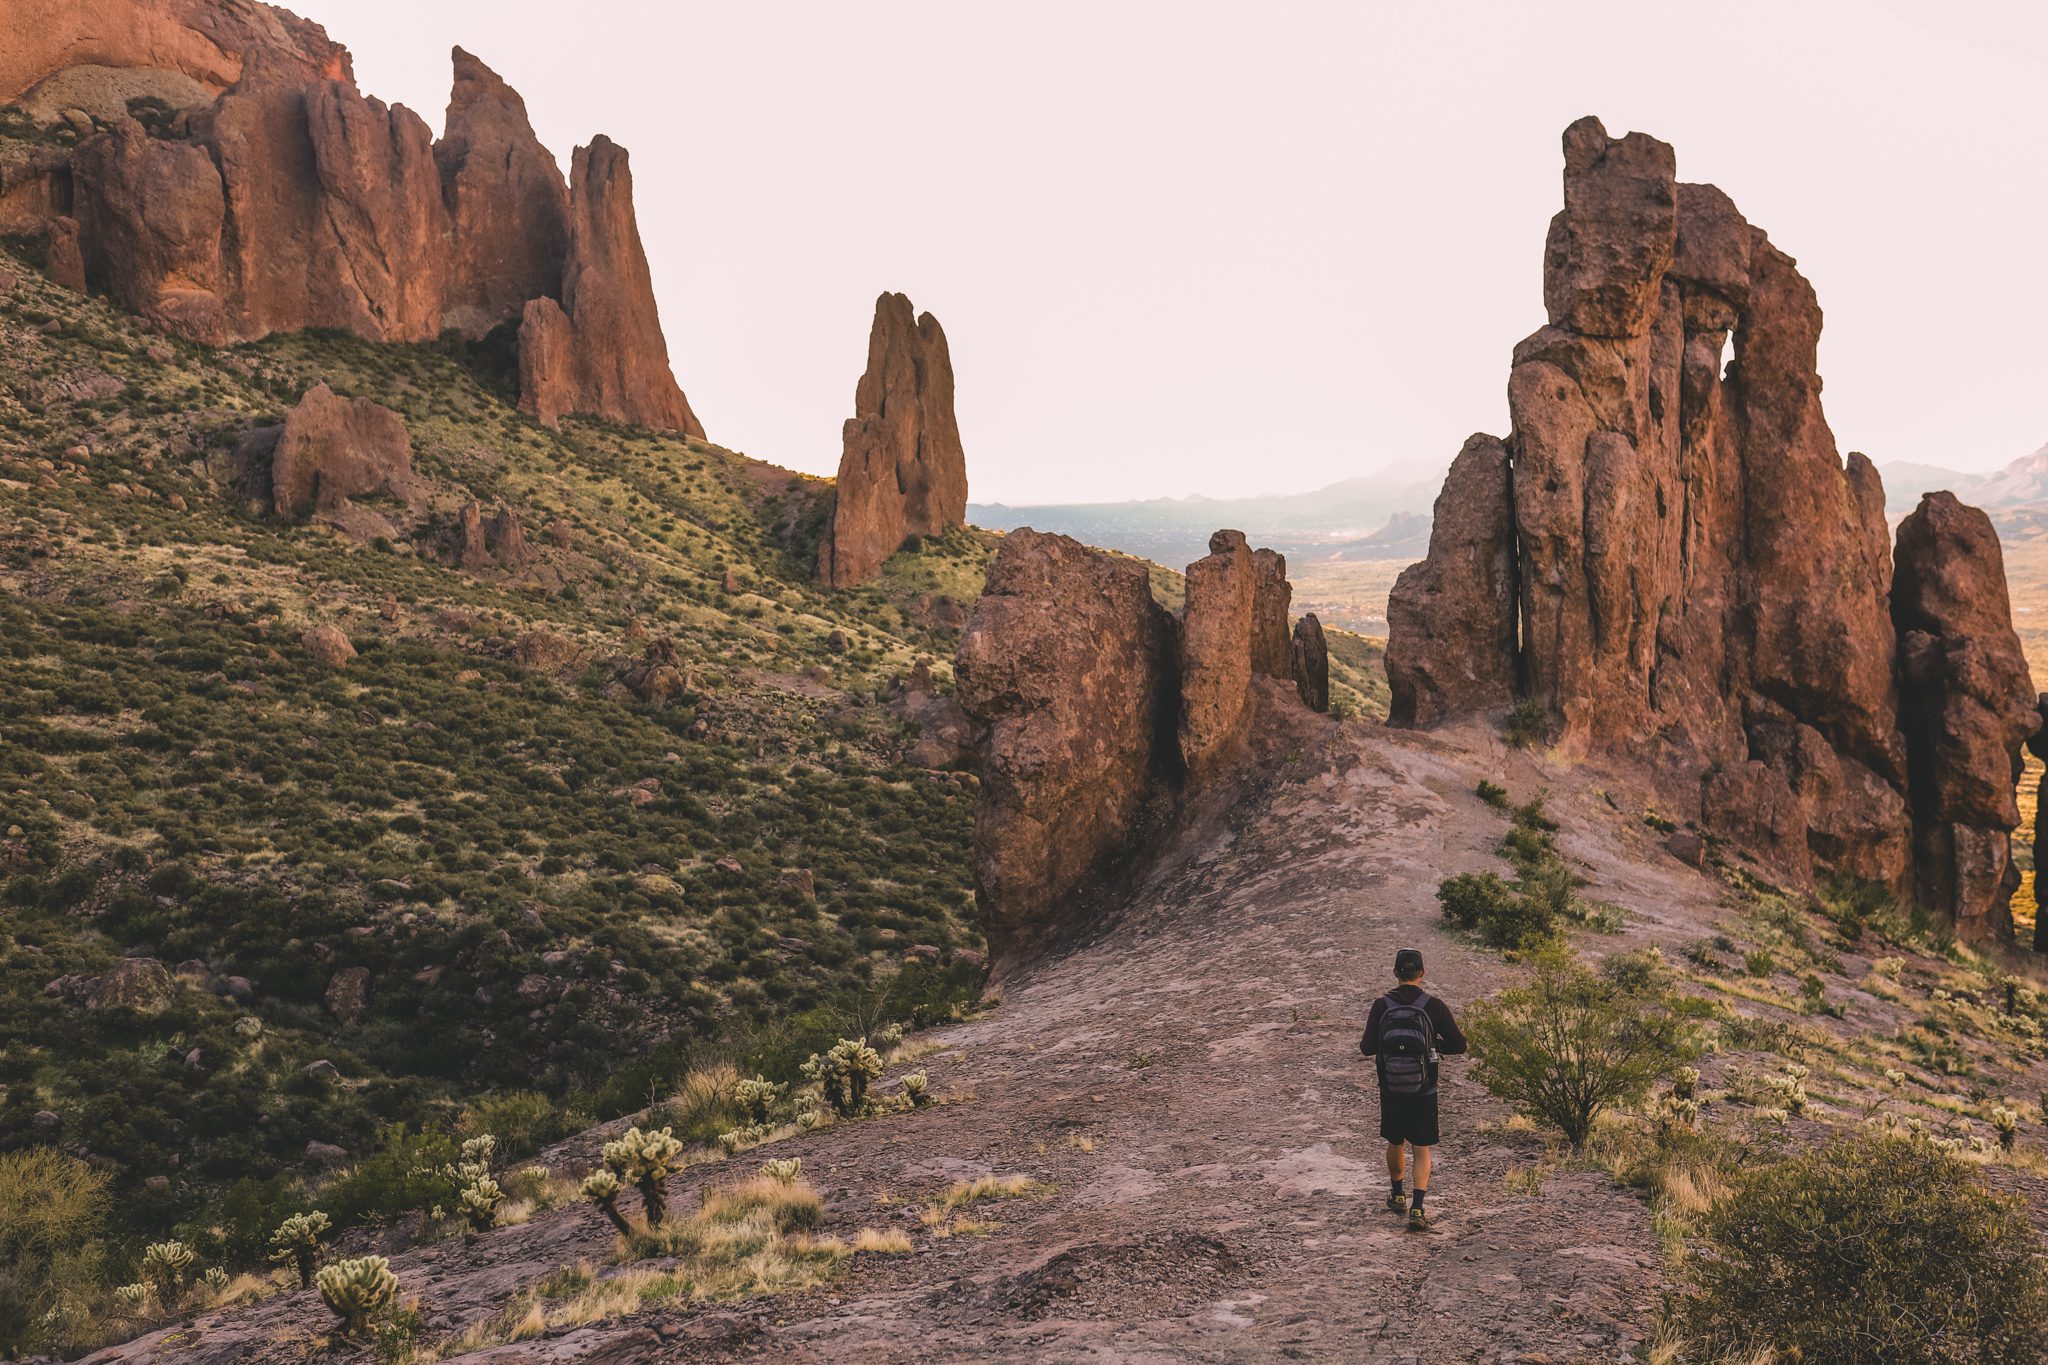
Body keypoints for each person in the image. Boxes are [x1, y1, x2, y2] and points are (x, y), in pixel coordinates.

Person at [1358, 947, 1466, 1231]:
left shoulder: (1381, 1006)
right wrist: (1432, 1046)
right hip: (1424, 1089)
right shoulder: (1434, 1005)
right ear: (1422, 973)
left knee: (1395, 1141)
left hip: (1391, 1087)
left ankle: (1397, 1194)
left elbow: (1367, 1047)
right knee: (1422, 1147)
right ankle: (1417, 1208)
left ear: (1395, 973)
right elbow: (1459, 1045)